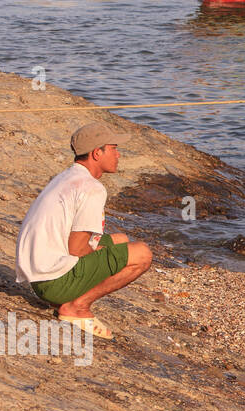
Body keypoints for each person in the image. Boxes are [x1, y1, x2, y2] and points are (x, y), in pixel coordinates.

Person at [14, 124, 153, 339]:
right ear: (97, 152)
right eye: (113, 148)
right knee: (142, 253)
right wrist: (105, 262)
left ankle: (70, 299)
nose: (118, 154)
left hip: (40, 276)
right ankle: (77, 307)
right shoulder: (91, 188)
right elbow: (77, 249)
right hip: (53, 281)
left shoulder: (67, 176)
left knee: (120, 240)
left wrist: (107, 257)